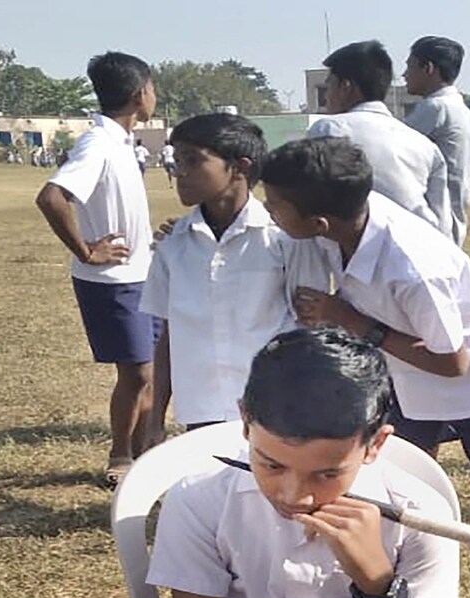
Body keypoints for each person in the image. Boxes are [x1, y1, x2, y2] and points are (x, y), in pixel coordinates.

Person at [262, 137, 470, 598]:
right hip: (406, 378)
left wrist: (354, 323)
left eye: (276, 204)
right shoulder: (340, 227)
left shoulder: (410, 263)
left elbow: (454, 362)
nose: (268, 209)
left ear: (320, 221)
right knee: (396, 495)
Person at [147, 327, 459, 598]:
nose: (295, 496)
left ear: (375, 445)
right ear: (246, 422)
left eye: (327, 474)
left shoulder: (417, 511)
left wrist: (377, 584)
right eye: (272, 464)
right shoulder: (199, 501)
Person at [139, 113, 329, 443]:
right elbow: (170, 334)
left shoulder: (285, 238)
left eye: (193, 160)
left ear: (240, 168)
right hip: (202, 409)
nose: (179, 171)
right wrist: (154, 418)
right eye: (177, 159)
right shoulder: (173, 244)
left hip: (277, 405)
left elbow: (312, 327)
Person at [35, 52, 159, 488]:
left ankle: (145, 450)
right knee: (137, 372)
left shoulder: (124, 143)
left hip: (144, 274)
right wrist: (87, 251)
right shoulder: (98, 143)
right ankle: (121, 452)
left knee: (153, 370)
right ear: (139, 94)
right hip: (113, 281)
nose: (154, 96)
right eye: (152, 87)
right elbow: (52, 197)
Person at [307, 40, 455, 244]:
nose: (327, 98)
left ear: (346, 87)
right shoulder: (424, 145)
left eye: (329, 86)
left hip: (360, 252)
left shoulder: (328, 129)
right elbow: (442, 221)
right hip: (418, 249)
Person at [404, 36, 470, 245]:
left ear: (428, 68)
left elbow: (393, 147)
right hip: (451, 218)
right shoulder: (460, 109)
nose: (404, 75)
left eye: (410, 66)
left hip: (432, 219)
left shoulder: (435, 108)